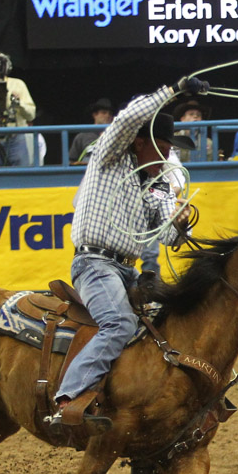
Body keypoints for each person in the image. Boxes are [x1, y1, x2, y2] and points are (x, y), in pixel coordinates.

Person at [47, 76, 206, 427]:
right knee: (118, 322)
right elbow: (126, 118)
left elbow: (169, 236)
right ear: (140, 143)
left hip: (126, 269)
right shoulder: (111, 157)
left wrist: (181, 224)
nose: (168, 157)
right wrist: (174, 90)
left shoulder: (156, 183)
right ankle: (67, 398)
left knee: (172, 318)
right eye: (164, 149)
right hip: (93, 262)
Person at [70, 98, 113, 163]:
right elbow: (71, 162)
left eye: (110, 113)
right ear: (95, 115)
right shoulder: (82, 136)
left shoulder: (115, 135)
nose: (108, 115)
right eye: (104, 113)